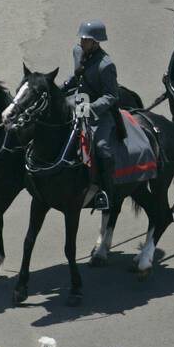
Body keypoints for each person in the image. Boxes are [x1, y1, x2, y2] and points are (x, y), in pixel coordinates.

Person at [62, 20, 122, 212]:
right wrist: (62, 87)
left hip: (99, 113)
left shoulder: (106, 65)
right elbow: (78, 75)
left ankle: (105, 193)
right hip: (78, 103)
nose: (81, 41)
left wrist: (91, 108)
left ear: (96, 42)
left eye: (85, 39)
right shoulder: (79, 51)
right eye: (81, 38)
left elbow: (112, 96)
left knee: (101, 147)